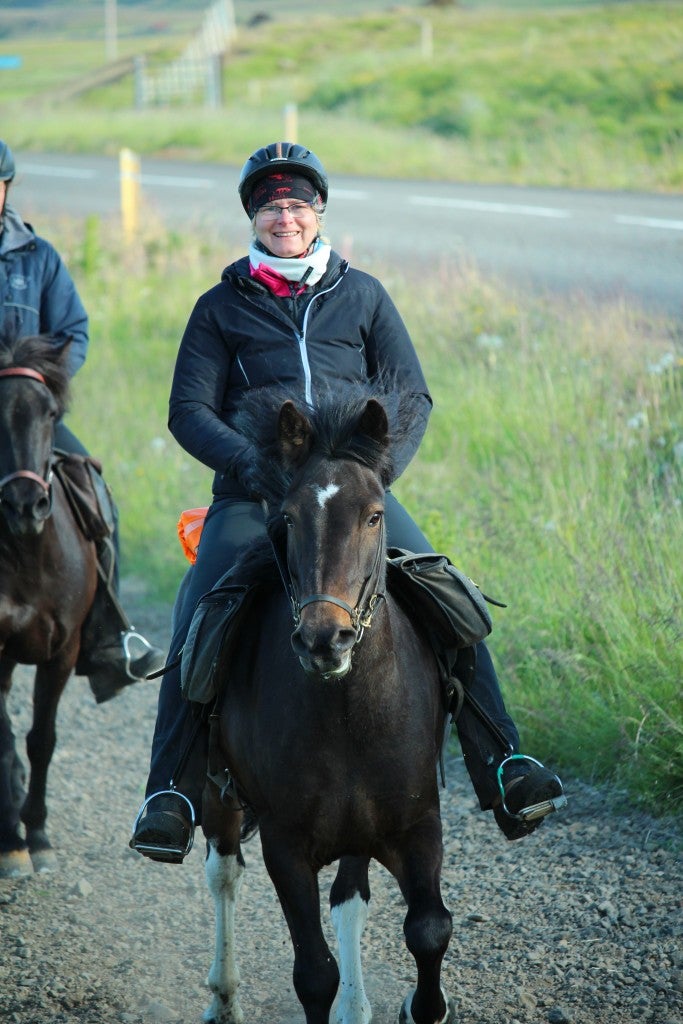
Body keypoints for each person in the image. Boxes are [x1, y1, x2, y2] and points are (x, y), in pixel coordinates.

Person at [131, 141, 566, 862]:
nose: (285, 216)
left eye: (298, 203)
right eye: (271, 205)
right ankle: (168, 794)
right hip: (256, 495)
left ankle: (502, 763)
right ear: (253, 216)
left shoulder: (361, 294)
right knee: (198, 610)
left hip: (351, 493)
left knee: (445, 592)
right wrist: (258, 465)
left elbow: (411, 394)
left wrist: (374, 471)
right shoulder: (218, 308)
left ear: (319, 211)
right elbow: (187, 411)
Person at [0, 139, 165, 701]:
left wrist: (44, 383)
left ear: (6, 188)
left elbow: (74, 332)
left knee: (95, 492)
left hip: (27, 413)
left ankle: (107, 637)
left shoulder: (38, 258)